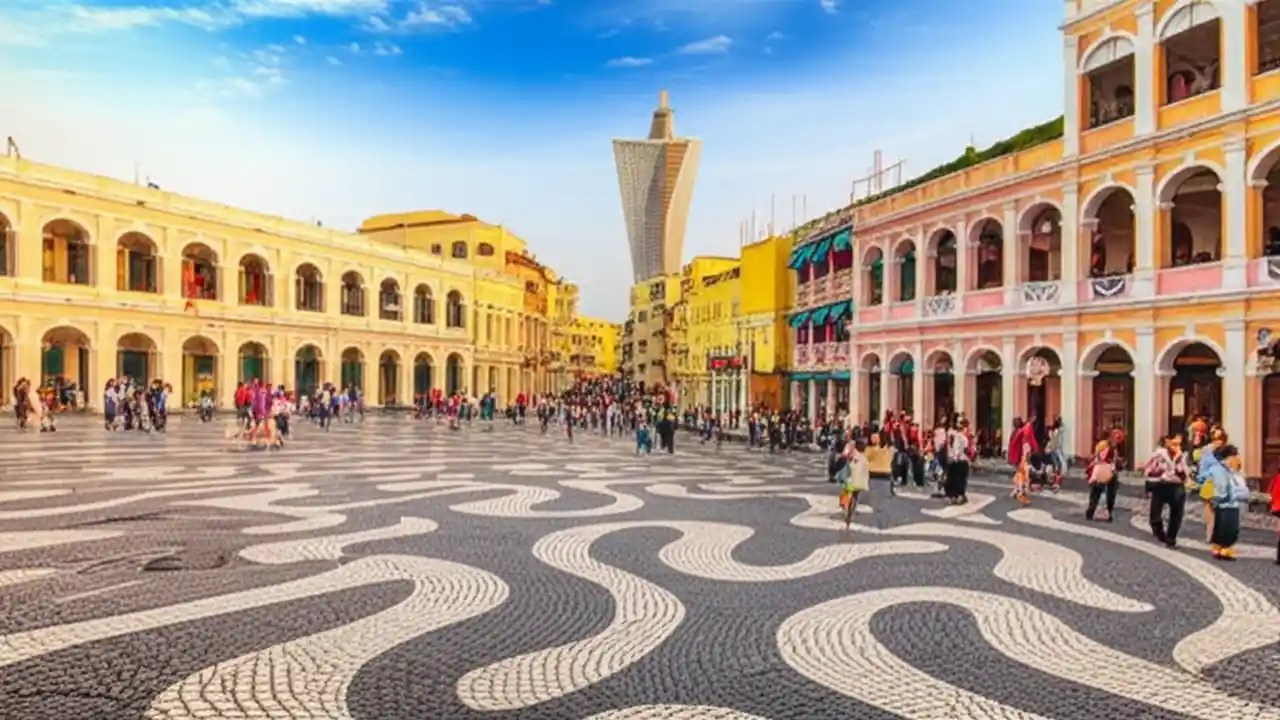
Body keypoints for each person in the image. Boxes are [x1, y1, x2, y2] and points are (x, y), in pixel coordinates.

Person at [1143, 432, 1189, 548]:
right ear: (1168, 442)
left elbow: (1187, 471)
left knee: (1176, 514)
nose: (1176, 446)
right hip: (1161, 484)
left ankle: (1171, 538)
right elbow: (1148, 467)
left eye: (1179, 444)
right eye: (1174, 443)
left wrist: (1182, 470)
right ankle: (1159, 533)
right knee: (1155, 514)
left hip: (1177, 485)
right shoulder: (1159, 453)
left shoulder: (1184, 454)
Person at [1207, 445, 1249, 560]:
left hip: (1231, 503)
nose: (1237, 458)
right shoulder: (1221, 470)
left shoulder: (1232, 471)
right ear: (1228, 457)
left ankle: (1221, 548)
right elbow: (1222, 488)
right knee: (1227, 526)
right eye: (1234, 456)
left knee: (1227, 526)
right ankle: (1222, 548)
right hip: (1226, 503)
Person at [839, 439, 870, 530]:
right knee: (854, 498)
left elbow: (844, 458)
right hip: (858, 481)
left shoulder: (853, 453)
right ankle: (849, 515)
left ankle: (847, 513)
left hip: (850, 480)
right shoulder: (864, 456)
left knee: (846, 496)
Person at [1085, 438, 1118, 521]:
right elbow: (1113, 463)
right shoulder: (1112, 450)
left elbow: (1094, 462)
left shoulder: (1100, 448)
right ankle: (1108, 513)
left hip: (1097, 472)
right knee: (1110, 494)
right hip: (1108, 471)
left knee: (1094, 494)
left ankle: (1091, 511)